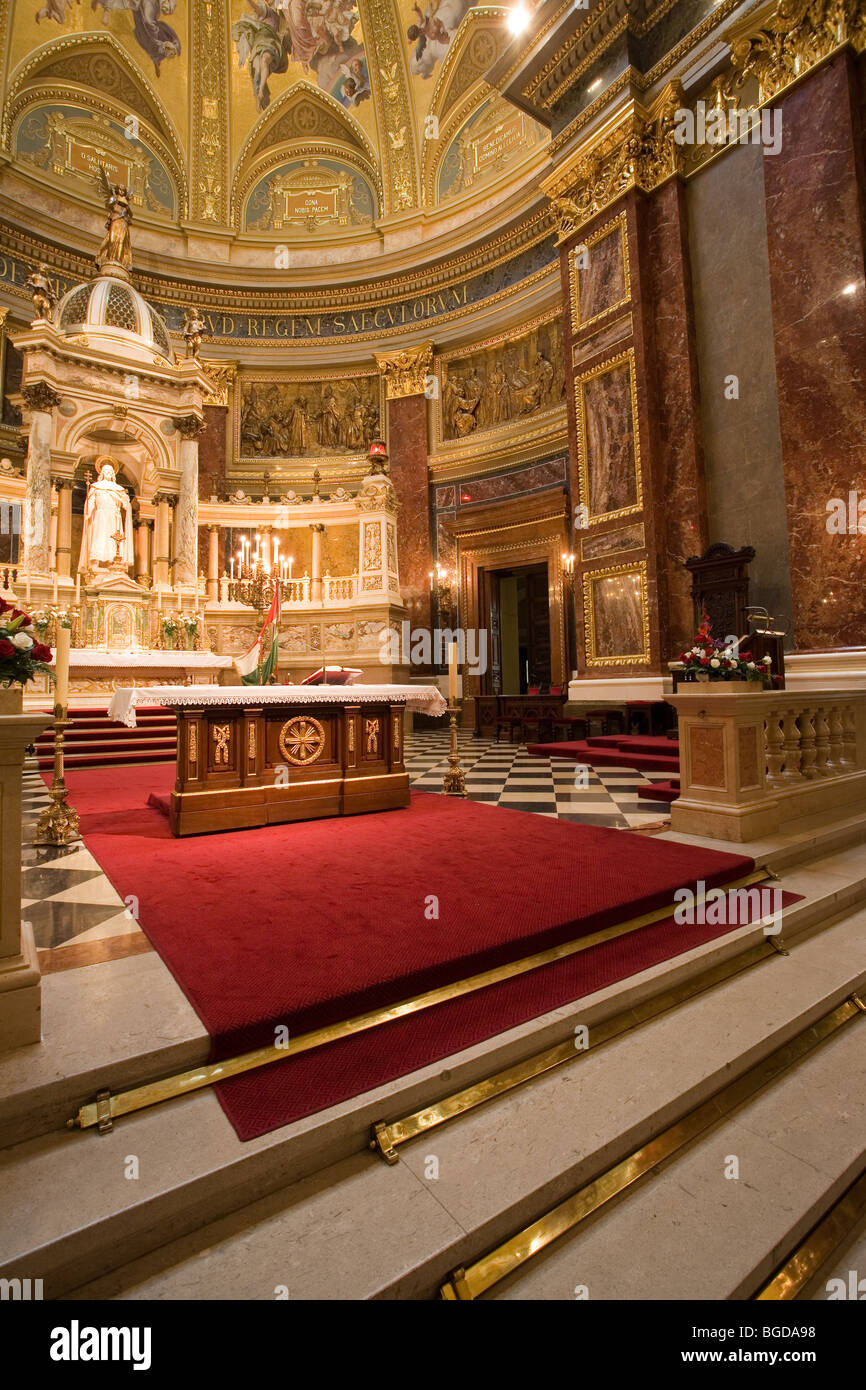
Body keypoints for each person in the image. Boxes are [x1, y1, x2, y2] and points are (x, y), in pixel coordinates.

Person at [78, 460, 134, 574]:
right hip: (100, 516)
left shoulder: (118, 489)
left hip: (114, 517)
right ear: (102, 473)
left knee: (113, 540)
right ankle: (95, 563)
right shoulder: (96, 487)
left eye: (110, 471)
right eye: (106, 470)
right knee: (100, 537)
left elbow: (125, 504)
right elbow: (90, 503)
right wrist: (88, 509)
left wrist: (126, 503)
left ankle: (112, 562)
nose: (108, 472)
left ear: (113, 474)